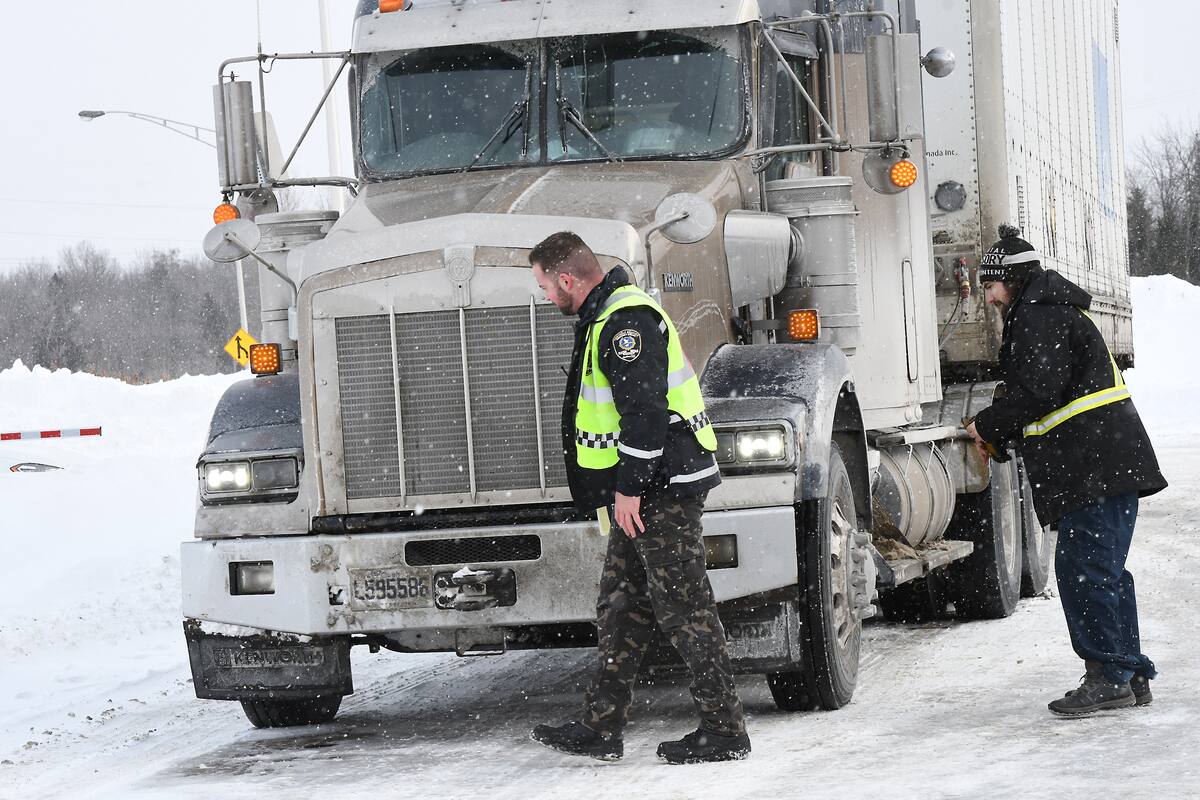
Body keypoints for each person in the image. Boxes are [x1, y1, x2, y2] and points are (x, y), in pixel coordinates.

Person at [526, 231, 750, 763]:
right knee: (621, 607)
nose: (543, 297)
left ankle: (725, 730)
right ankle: (601, 728)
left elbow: (645, 412)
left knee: (685, 608)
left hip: (660, 488)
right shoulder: (605, 317)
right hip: (646, 489)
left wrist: (627, 488)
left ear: (565, 279)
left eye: (543, 286)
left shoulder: (626, 322)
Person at [966, 225, 1167, 717]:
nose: (989, 298)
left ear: (1010, 281)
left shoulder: (1038, 317)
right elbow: (1043, 394)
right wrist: (1002, 429)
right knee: (1103, 571)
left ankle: (1109, 676)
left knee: (1084, 571)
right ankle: (1127, 670)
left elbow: (1037, 392)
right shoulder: (1049, 312)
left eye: (990, 286)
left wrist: (986, 425)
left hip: (1095, 468)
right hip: (1101, 465)